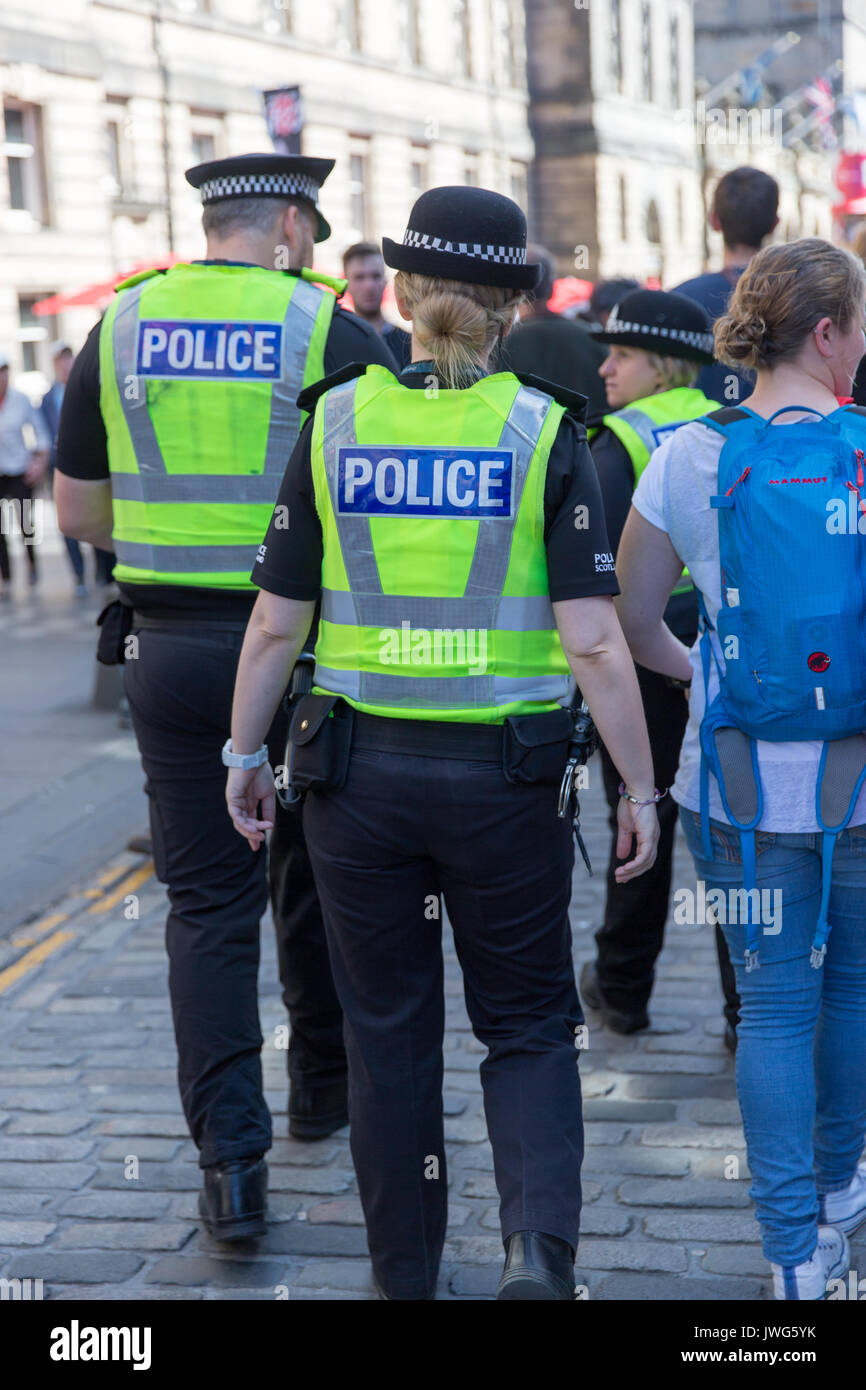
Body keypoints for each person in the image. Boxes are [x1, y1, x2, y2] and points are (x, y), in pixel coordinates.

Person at [225, 185, 660, 1300]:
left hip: (354, 785)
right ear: (513, 303)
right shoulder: (546, 428)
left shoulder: (335, 419)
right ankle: (534, 1257)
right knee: (524, 1026)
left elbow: (277, 621)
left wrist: (238, 754)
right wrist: (639, 789)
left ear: (404, 294)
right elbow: (596, 643)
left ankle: (405, 1277)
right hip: (503, 786)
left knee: (388, 1036)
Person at [54, 152, 398, 1242]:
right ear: (292, 227)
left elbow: (72, 512)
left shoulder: (120, 324)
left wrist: (165, 540)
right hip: (299, 654)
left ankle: (232, 1169)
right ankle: (323, 1093)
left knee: (205, 909)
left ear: (210, 223)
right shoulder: (328, 328)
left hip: (165, 651)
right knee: (316, 878)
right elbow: (374, 501)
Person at [615, 238, 866, 1299]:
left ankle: (793, 1258)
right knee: (851, 985)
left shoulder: (685, 454)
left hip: (736, 777)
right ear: (824, 332)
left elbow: (628, 616)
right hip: (858, 778)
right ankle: (841, 1188)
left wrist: (694, 672)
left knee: (770, 1003)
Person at [579, 290, 740, 1047]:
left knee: (638, 817)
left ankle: (622, 987)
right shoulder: (729, 429)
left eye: (623, 355)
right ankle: (747, 1005)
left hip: (644, 662)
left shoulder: (617, 440)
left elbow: (598, 574)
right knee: (734, 835)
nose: (605, 367)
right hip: (721, 656)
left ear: (661, 366)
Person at [672, 165, 779, 408]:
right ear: (775, 224)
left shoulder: (680, 300)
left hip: (700, 437)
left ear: (714, 221)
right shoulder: (799, 295)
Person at [494, 244, 608, 413]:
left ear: (511, 291)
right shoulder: (594, 338)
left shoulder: (501, 346)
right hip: (590, 438)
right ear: (552, 288)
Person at [41, 341, 114, 595]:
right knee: (71, 525)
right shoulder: (48, 398)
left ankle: (103, 573)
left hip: (93, 465)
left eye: (69, 357)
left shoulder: (88, 384)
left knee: (95, 518)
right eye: (62, 358)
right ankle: (80, 574)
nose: (66, 363)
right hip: (61, 466)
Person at [0, 352, 51, 598]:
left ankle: (32, 565)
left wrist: (38, 461)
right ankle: (6, 577)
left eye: (4, 372)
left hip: (20, 470)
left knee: (25, 524)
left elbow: (40, 432)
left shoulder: (20, 400)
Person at [342, 241, 412, 368]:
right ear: (345, 283)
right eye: (359, 277)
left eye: (375, 276)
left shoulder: (408, 345)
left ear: (385, 280)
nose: (369, 286)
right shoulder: (338, 344)